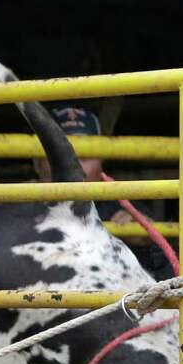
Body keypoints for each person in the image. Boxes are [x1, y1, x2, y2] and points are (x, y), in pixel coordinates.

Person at [35, 105, 169, 279]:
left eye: (86, 155)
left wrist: (146, 245)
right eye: (59, 154)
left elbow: (169, 283)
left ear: (101, 160)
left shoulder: (127, 213)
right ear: (36, 162)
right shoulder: (12, 208)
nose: (74, 167)